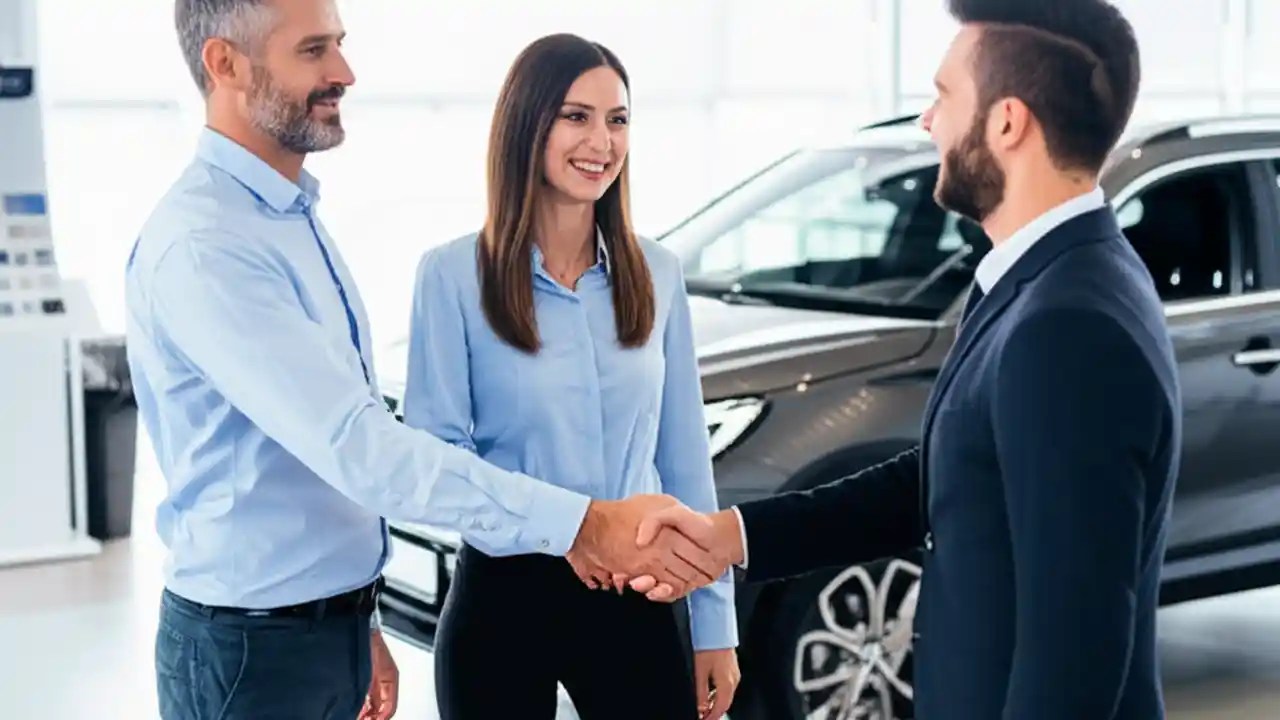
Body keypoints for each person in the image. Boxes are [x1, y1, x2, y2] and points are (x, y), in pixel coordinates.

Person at [128, 3, 711, 719]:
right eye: (315, 51)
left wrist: (357, 614)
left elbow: (324, 461)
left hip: (320, 626)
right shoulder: (210, 246)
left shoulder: (290, 221)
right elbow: (362, 448)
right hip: (259, 648)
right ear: (225, 64)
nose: (345, 72)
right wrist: (583, 524)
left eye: (339, 46)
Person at [633, 1, 1183, 718]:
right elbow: (946, 478)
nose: (928, 122)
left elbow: (1074, 657)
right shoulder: (1045, 280)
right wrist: (732, 537)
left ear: (1007, 121)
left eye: (944, 96)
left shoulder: (1067, 326)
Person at [403, 33, 740, 720]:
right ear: (526, 123)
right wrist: (567, 528)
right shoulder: (450, 277)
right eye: (577, 116)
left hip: (638, 594)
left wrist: (716, 626)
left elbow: (684, 461)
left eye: (617, 120)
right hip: (503, 596)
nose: (603, 141)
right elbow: (434, 461)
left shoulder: (659, 274)